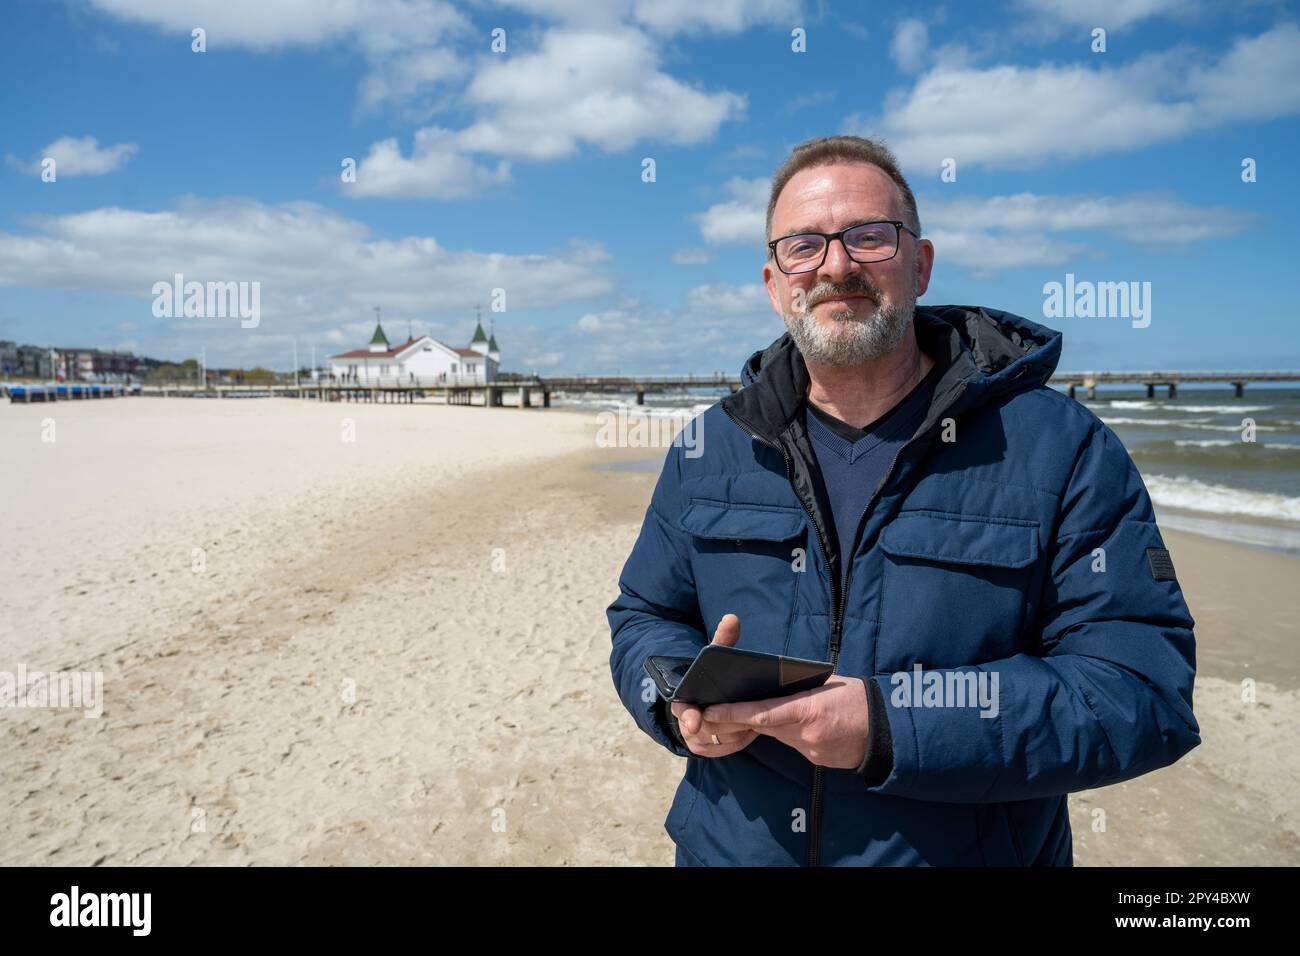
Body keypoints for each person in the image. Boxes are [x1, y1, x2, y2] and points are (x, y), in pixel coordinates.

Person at [607, 135, 1200, 866]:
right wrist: (675, 702)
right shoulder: (711, 447)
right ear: (773, 282)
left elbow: (1141, 691)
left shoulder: (1060, 447)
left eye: (869, 237)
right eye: (805, 246)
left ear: (919, 264)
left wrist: (892, 726)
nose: (836, 265)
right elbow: (643, 615)